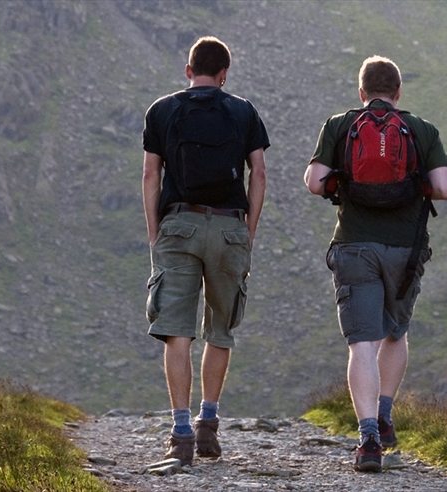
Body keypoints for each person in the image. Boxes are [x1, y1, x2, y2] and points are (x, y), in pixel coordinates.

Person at [303, 55, 447, 472]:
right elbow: (445, 187)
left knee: (361, 344)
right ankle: (386, 414)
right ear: (399, 92)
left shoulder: (341, 125)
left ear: (361, 92)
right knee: (395, 331)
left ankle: (368, 437)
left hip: (354, 247)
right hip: (405, 253)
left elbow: (315, 181)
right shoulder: (421, 130)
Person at [142, 36, 269, 466]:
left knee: (177, 331)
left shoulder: (161, 110)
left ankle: (180, 434)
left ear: (187, 70)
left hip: (177, 224)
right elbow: (260, 174)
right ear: (224, 74)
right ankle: (208, 425)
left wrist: (155, 231)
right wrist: (247, 231)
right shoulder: (244, 111)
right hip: (230, 225)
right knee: (220, 329)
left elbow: (150, 175)